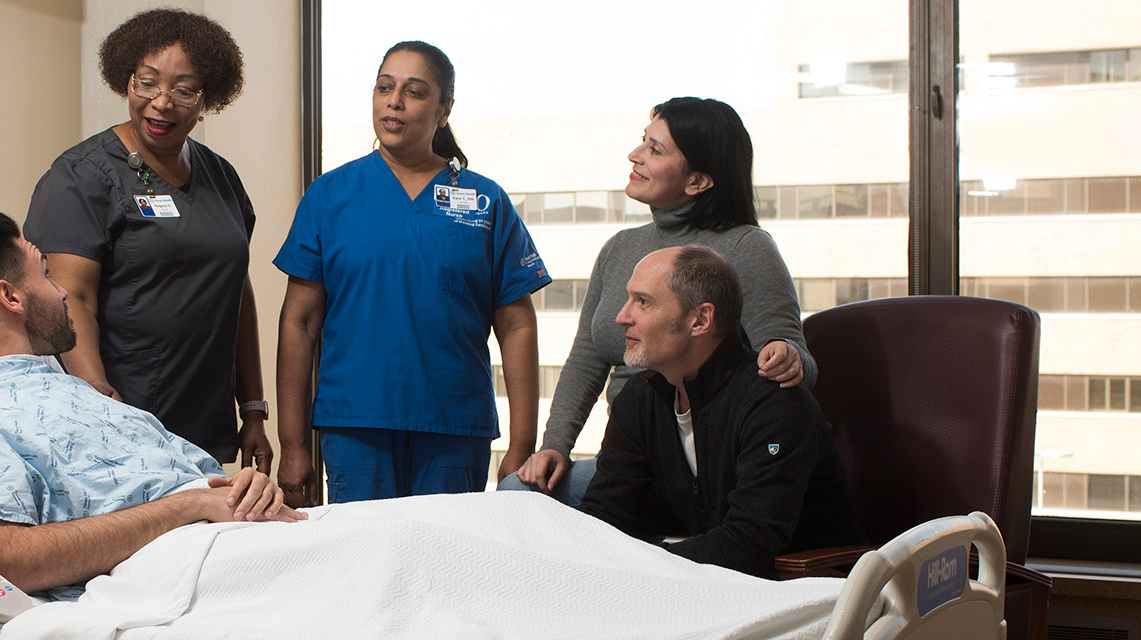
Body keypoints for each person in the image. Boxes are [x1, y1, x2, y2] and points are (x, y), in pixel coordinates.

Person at [0, 212, 304, 601]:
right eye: (48, 275)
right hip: (182, 571)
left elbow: (209, 489)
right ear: (11, 296)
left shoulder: (83, 395)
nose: (63, 291)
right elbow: (12, 561)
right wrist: (190, 505)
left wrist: (248, 489)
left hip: (243, 539)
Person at [501, 97, 816, 506]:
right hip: (629, 457)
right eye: (642, 142)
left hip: (706, 467)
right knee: (518, 493)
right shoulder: (620, 249)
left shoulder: (746, 248)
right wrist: (555, 445)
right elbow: (586, 360)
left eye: (655, 150)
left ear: (698, 181)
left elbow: (795, 359)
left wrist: (786, 355)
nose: (635, 156)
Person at [274, 41, 550, 506]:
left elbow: (518, 323)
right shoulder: (330, 195)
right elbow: (298, 323)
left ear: (444, 111)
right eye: (385, 87)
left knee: (445, 566)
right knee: (363, 562)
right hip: (356, 422)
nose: (394, 101)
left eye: (415, 92)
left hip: (453, 425)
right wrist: (294, 443)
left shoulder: (485, 201)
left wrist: (521, 444)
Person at [23, 8, 272, 468]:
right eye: (146, 83)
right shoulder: (81, 177)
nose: (161, 102)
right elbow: (67, 296)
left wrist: (252, 408)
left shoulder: (221, 177)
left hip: (204, 425)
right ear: (126, 81)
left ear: (206, 98)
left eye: (183, 89)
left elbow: (236, 289)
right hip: (120, 424)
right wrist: (100, 401)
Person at [576, 246, 863, 579]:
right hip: (717, 583)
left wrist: (639, 567)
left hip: (805, 591)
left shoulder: (773, 403)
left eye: (643, 302)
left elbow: (749, 544)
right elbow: (604, 514)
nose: (622, 316)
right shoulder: (640, 400)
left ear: (700, 320)